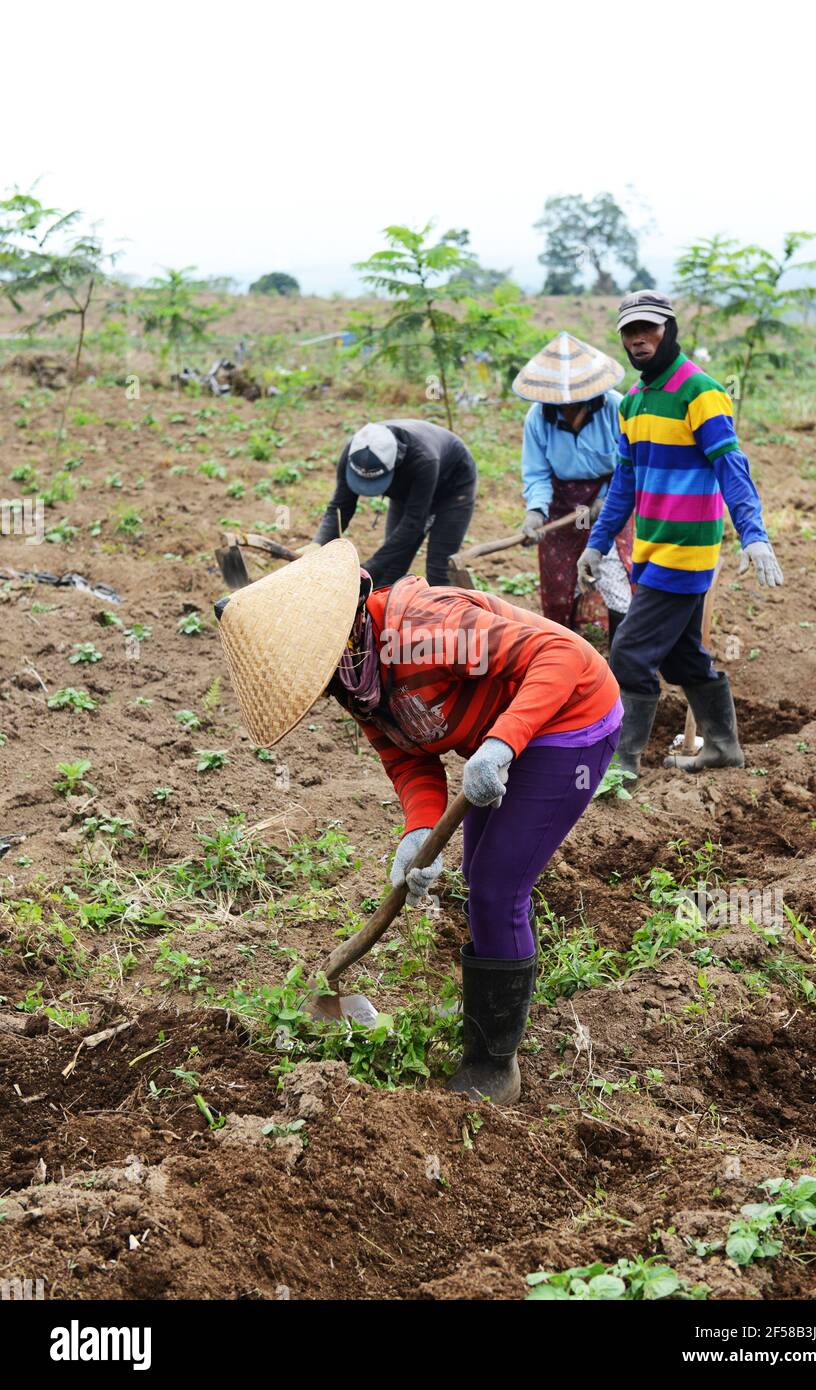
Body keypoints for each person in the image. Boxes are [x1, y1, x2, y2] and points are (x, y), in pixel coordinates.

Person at [216, 539, 622, 1104]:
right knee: (481, 878)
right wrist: (416, 834)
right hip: (503, 738)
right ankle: (488, 1013)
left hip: (566, 718)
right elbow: (408, 758)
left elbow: (564, 658)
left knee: (498, 890)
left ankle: (493, 1067)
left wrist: (503, 743)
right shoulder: (355, 675)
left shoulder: (422, 629)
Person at [578, 291, 783, 776]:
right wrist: (597, 541)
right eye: (629, 332)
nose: (638, 339)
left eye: (648, 328)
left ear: (669, 329)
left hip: (686, 549)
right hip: (651, 549)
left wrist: (753, 533)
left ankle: (622, 762)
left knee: (628, 652)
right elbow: (624, 483)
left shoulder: (700, 392)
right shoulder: (632, 402)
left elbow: (732, 466)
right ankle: (723, 747)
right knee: (682, 657)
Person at [513, 332, 633, 643]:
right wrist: (536, 513)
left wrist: (607, 500)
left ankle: (622, 658)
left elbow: (628, 464)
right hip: (562, 502)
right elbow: (537, 473)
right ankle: (565, 647)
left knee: (613, 572)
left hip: (613, 497)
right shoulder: (537, 419)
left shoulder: (616, 409)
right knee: (558, 580)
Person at [308, 419, 476, 587]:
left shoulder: (424, 459)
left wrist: (368, 569)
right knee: (389, 571)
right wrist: (317, 545)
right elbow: (340, 507)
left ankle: (449, 610)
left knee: (439, 572)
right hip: (407, 489)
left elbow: (413, 522)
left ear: (395, 463)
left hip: (453, 488)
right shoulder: (354, 451)